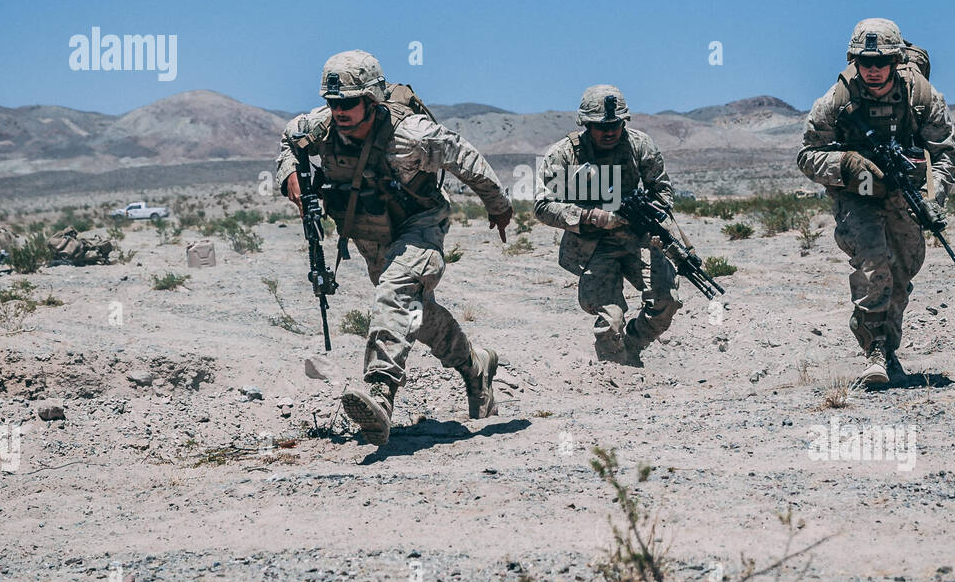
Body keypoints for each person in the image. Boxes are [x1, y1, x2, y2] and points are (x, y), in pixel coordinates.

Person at [275, 50, 514, 446]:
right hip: (372, 236)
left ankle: (380, 394)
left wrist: (499, 206)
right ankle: (475, 365)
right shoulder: (317, 127)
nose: (339, 111)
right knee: (415, 316)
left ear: (372, 100)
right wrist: (289, 178)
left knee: (395, 292)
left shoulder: (412, 136)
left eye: (349, 103)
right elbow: (289, 141)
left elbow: (467, 159)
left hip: (420, 226)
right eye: (333, 103)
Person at [797, 19, 955, 386]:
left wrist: (934, 198)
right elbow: (807, 156)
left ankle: (887, 351)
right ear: (854, 60)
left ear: (897, 61)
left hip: (904, 192)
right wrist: (847, 165)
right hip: (858, 195)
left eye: (881, 62)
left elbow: (944, 152)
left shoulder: (922, 97)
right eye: (864, 62)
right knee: (874, 263)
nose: (872, 70)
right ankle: (874, 350)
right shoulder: (835, 101)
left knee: (902, 270)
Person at [533, 84, 682, 365]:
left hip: (639, 239)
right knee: (611, 319)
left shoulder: (640, 145)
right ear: (586, 125)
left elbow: (662, 192)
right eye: (601, 127)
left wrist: (652, 214)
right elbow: (543, 206)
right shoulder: (564, 155)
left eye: (616, 124)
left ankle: (632, 345)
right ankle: (615, 374)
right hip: (593, 245)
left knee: (666, 302)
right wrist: (591, 216)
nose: (610, 132)